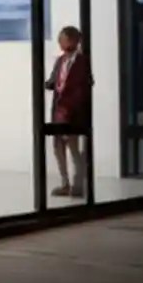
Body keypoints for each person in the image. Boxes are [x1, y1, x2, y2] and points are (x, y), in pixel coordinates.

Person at [46, 26, 92, 198]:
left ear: (73, 40)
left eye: (63, 39)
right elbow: (53, 80)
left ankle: (78, 184)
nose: (60, 43)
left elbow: (82, 89)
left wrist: (72, 109)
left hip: (72, 112)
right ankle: (65, 183)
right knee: (58, 147)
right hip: (59, 111)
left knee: (73, 148)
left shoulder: (82, 62)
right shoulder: (60, 61)